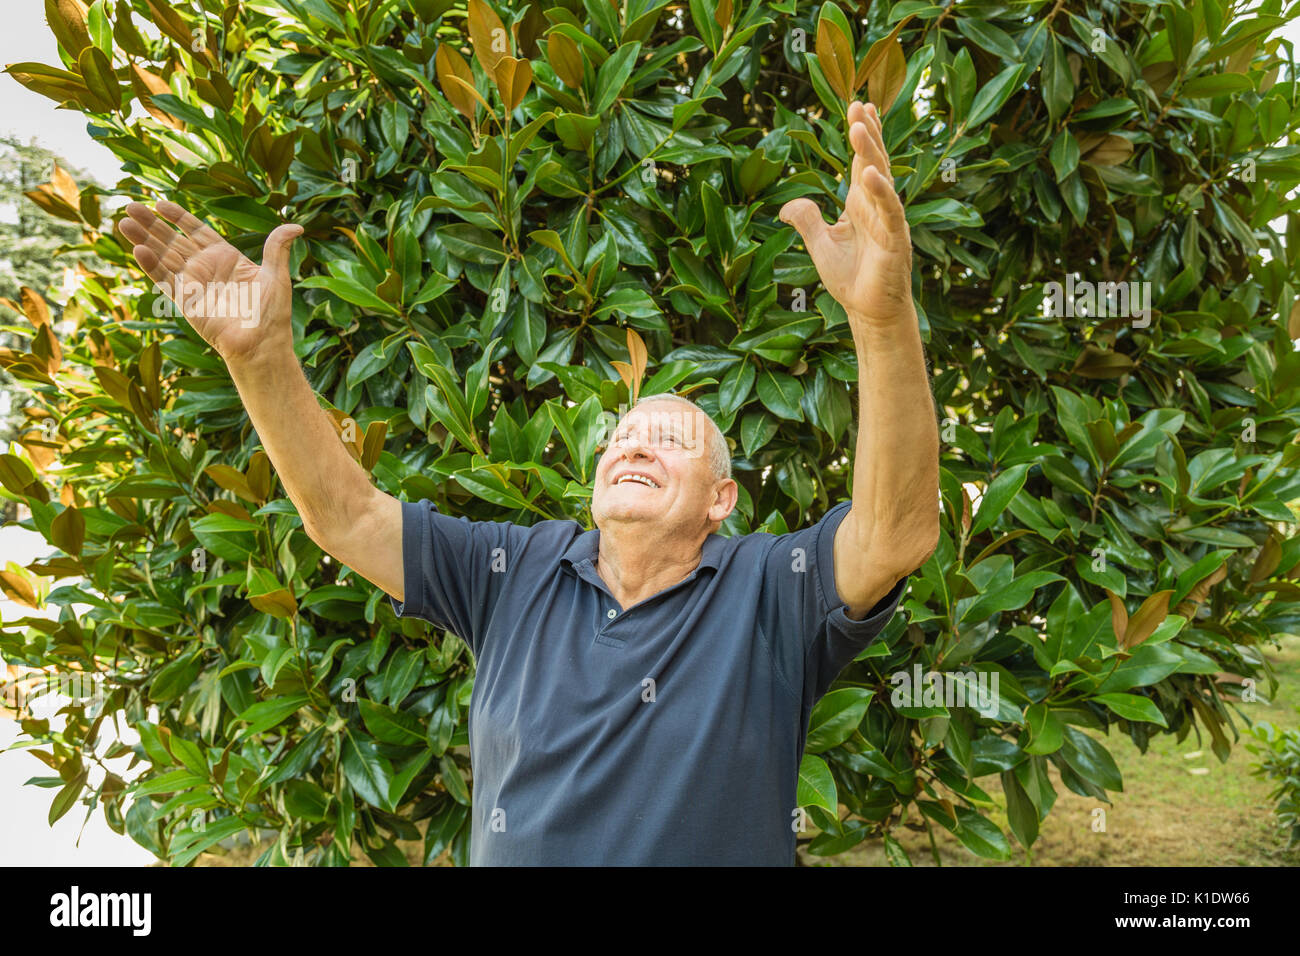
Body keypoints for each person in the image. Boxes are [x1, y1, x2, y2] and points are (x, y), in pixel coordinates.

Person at [119, 99, 940, 865]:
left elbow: (895, 531)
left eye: (670, 439)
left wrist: (880, 318)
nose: (635, 447)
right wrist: (259, 360)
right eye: (621, 436)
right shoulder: (514, 573)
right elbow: (345, 516)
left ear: (721, 500)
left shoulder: (773, 592)